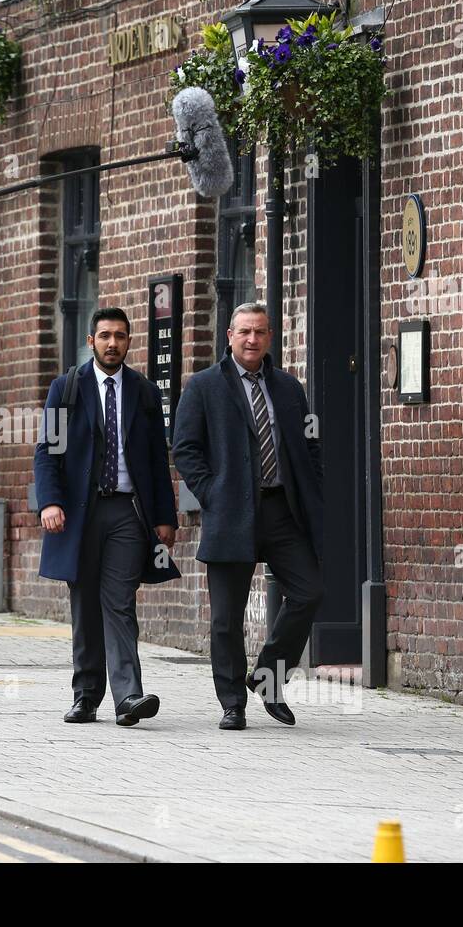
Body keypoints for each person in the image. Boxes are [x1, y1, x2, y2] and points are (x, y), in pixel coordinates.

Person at [172, 301, 324, 731]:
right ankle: (232, 703)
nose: (252, 340)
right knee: (226, 618)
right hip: (230, 511)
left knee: (310, 591)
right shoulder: (203, 387)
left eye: (259, 332)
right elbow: (185, 448)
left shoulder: (290, 388)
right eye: (244, 332)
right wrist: (212, 492)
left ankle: (268, 676)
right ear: (230, 336)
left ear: (269, 337)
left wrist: (313, 487)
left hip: (281, 509)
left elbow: (310, 444)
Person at [33, 307, 180, 727]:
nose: (112, 343)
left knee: (119, 602)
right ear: (90, 340)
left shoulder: (145, 393)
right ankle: (86, 695)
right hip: (79, 512)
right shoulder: (66, 389)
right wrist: (49, 502)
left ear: (129, 341)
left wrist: (165, 516)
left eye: (119, 336)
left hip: (127, 513)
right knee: (85, 604)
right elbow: (48, 452)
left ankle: (128, 696)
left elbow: (156, 459)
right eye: (104, 336)